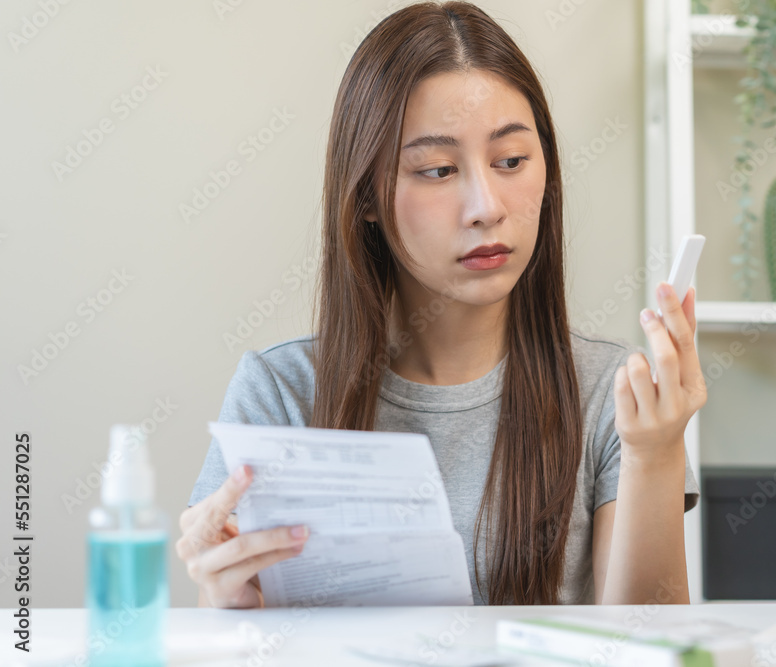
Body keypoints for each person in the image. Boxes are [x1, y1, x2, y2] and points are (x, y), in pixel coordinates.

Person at [175, 0, 706, 609]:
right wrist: (231, 605)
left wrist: (654, 453)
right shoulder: (281, 392)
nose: (486, 205)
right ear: (366, 196)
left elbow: (646, 644)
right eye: (436, 169)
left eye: (511, 162)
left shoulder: (612, 395)